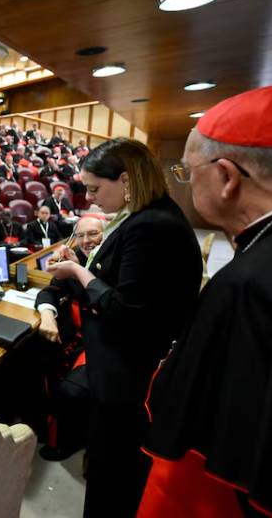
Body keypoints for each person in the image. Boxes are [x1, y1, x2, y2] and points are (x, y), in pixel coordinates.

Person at [139, 85, 272, 517]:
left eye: (187, 172)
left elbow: (206, 469)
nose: (186, 185)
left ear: (227, 177)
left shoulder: (252, 285)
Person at [43, 137, 201, 516]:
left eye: (96, 188)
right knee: (107, 463)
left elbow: (124, 308)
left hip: (127, 374)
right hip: (116, 366)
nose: (91, 197)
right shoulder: (143, 217)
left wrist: (79, 270)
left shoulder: (153, 226)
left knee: (113, 473)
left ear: (127, 181)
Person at [32, 216, 105, 462]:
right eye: (81, 235)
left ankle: (69, 441)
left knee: (71, 391)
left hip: (103, 342)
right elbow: (50, 291)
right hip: (75, 339)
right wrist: (46, 315)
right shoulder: (75, 258)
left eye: (93, 234)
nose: (86, 241)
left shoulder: (113, 262)